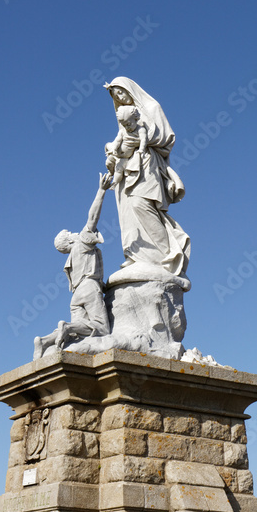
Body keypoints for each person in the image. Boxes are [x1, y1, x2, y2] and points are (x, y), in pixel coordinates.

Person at [104, 77, 190, 276]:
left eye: (121, 92)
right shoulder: (124, 119)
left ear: (129, 88)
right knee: (127, 209)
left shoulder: (152, 108)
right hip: (128, 167)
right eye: (116, 96)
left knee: (141, 204)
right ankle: (136, 253)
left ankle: (167, 253)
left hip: (147, 162)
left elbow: (167, 138)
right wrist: (112, 157)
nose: (120, 97)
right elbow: (120, 143)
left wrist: (140, 142)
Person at [33, 173, 112, 359]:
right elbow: (92, 218)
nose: (75, 233)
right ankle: (66, 327)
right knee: (103, 328)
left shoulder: (70, 261)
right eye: (71, 234)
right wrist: (101, 191)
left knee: (80, 333)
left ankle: (44, 341)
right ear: (69, 241)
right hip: (89, 288)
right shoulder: (82, 244)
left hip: (76, 295)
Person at [105, 104, 148, 189]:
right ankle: (110, 172)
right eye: (124, 125)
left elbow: (143, 140)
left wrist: (141, 149)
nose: (127, 127)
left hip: (124, 157)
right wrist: (114, 149)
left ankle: (114, 183)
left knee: (119, 170)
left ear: (135, 119)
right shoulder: (122, 131)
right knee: (108, 162)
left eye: (128, 124)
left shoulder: (141, 130)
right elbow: (118, 140)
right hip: (116, 152)